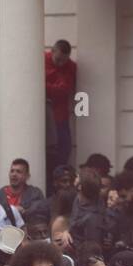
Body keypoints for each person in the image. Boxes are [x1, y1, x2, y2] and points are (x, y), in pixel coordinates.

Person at [45, 39, 77, 174]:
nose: (60, 64)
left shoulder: (71, 66)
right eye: (58, 59)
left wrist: (46, 86)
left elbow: (64, 90)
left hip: (59, 115)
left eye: (64, 60)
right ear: (51, 51)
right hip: (44, 114)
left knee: (64, 148)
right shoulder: (39, 60)